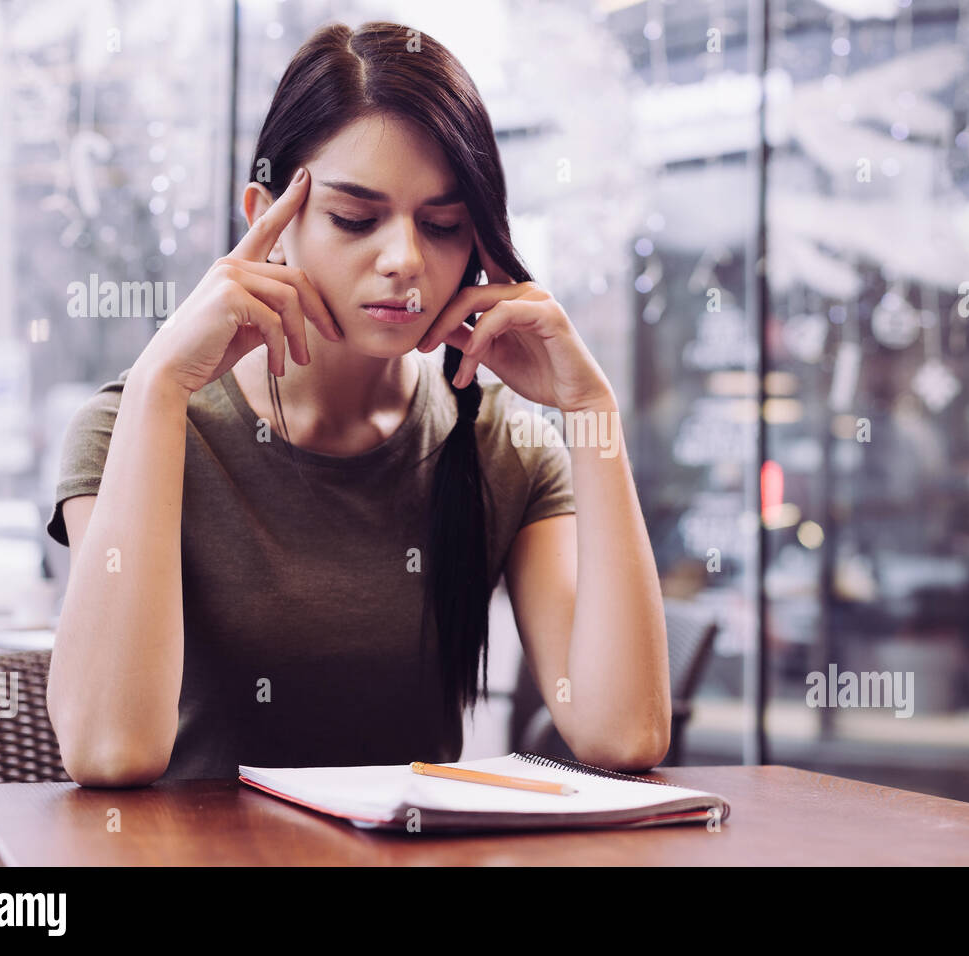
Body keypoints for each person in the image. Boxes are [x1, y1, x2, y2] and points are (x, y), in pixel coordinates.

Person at [45, 20, 670, 786]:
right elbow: (110, 751)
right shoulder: (140, 424)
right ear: (267, 220)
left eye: (441, 226)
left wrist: (590, 407)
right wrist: (158, 385)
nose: (404, 259)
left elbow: (624, 731)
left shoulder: (503, 447)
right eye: (355, 218)